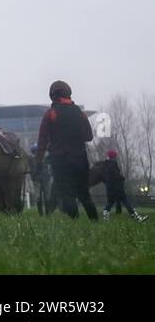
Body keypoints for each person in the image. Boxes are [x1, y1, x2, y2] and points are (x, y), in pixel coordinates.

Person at [33, 81, 97, 221]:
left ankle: (75, 222)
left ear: (52, 96)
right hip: (80, 158)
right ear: (68, 93)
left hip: (60, 159)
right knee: (84, 193)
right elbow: (89, 136)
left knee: (66, 194)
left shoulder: (50, 114)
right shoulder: (80, 113)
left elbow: (42, 141)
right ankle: (95, 221)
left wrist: (38, 163)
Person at [98, 149, 146, 222]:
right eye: (115, 156)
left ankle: (105, 217)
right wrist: (122, 178)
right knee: (126, 201)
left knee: (110, 203)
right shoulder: (113, 163)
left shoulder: (105, 165)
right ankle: (137, 218)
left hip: (109, 187)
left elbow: (104, 178)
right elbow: (116, 175)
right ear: (114, 156)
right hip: (117, 188)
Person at [28, 143, 55, 215]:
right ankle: (41, 214)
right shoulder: (31, 158)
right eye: (36, 150)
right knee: (38, 197)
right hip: (37, 179)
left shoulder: (45, 158)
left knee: (47, 196)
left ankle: (47, 213)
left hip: (45, 178)